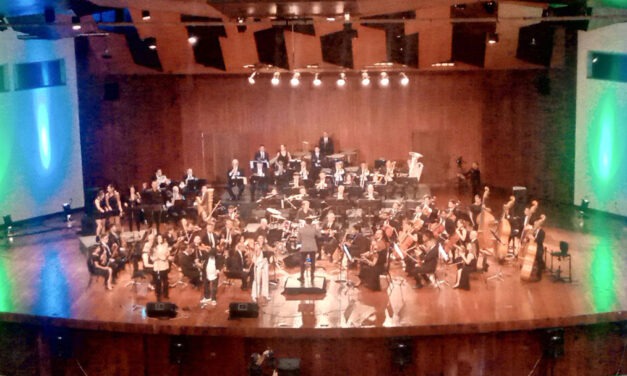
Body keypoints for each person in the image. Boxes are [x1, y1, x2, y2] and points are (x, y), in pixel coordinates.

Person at [199, 238, 225, 306]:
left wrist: (218, 270)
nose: (210, 255)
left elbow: (221, 264)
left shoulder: (219, 257)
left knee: (214, 288)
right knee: (206, 286)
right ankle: (207, 297)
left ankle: (213, 299)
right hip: (206, 273)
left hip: (214, 274)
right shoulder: (207, 256)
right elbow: (202, 260)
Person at [297, 218, 320, 285]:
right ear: (311, 222)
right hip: (312, 247)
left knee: (302, 261)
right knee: (312, 262)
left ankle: (302, 276)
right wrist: (317, 227)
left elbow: (298, 240)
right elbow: (319, 235)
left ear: (305, 222)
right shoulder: (314, 229)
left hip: (304, 247)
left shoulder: (301, 229)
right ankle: (312, 276)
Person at [151, 234, 171, 301]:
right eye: (159, 238)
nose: (160, 239)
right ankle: (158, 295)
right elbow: (152, 258)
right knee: (158, 282)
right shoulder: (153, 247)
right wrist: (159, 257)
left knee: (165, 281)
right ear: (156, 239)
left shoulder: (165, 246)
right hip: (157, 267)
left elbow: (168, 254)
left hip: (164, 266)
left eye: (161, 238)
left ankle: (166, 294)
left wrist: (165, 257)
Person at [251, 237, 270, 302]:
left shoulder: (265, 246)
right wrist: (258, 249)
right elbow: (256, 255)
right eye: (260, 238)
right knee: (257, 280)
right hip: (258, 264)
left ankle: (265, 294)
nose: (261, 239)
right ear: (258, 239)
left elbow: (269, 253)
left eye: (262, 238)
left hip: (265, 264)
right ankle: (254, 295)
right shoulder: (256, 246)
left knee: (265, 280)